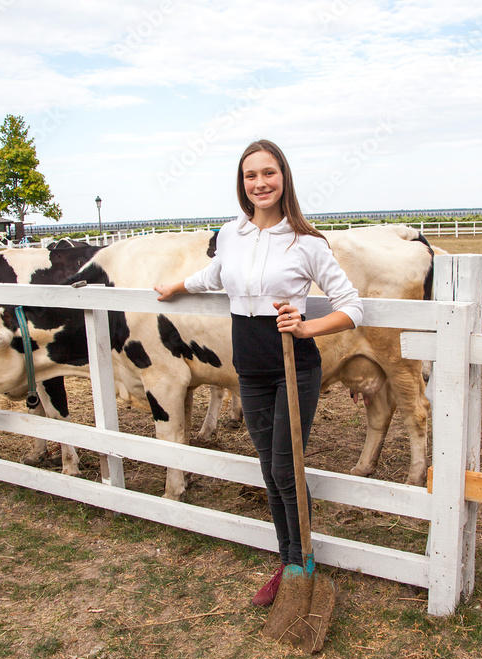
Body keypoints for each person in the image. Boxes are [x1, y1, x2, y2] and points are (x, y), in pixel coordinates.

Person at [154, 139, 364, 606]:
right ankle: (287, 560)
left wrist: (307, 325)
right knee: (270, 472)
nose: (260, 183)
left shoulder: (306, 242)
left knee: (287, 469)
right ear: (241, 184)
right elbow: (215, 276)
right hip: (247, 369)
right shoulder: (231, 235)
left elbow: (353, 307)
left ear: (283, 178)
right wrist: (176, 285)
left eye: (268, 173)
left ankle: (301, 563)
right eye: (251, 175)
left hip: (293, 367)